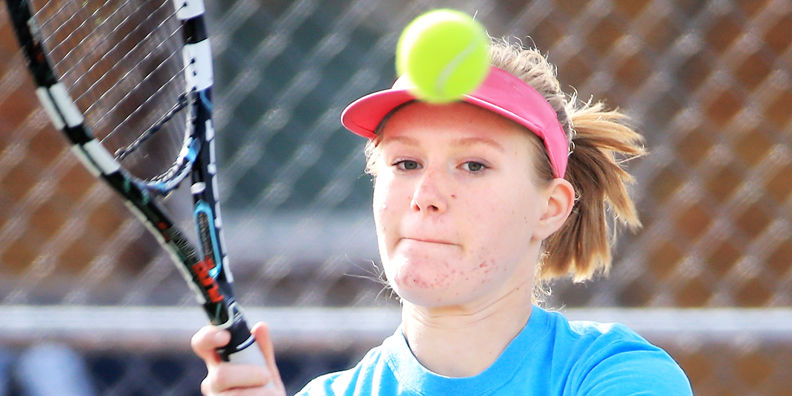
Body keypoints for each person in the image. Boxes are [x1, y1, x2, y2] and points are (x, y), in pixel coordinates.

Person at [191, 38, 693, 395]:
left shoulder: (614, 375)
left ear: (550, 207)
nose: (426, 195)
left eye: (473, 165)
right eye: (406, 164)